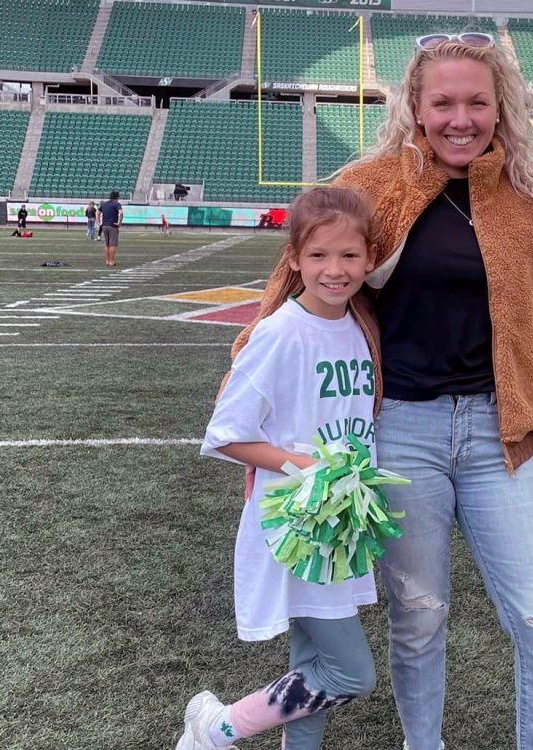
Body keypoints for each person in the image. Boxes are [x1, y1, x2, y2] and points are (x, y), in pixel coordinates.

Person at [233, 32, 533, 750]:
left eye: (476, 103)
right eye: (443, 103)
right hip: (398, 433)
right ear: (416, 107)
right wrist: (262, 443)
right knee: (419, 616)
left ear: (502, 109)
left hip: (507, 439)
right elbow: (290, 300)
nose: (460, 119)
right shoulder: (372, 189)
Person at [176, 188, 380, 750]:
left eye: (348, 256)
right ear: (293, 259)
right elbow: (228, 433)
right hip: (296, 525)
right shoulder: (279, 332)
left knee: (310, 661)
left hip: (341, 525)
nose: (334, 270)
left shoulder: (362, 326)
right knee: (349, 674)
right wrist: (306, 465)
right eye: (318, 256)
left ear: (369, 258)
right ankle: (217, 728)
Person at [99, 191, 123, 266]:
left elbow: (97, 212)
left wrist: (98, 222)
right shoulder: (117, 204)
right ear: (117, 197)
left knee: (107, 244)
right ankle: (111, 261)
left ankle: (107, 260)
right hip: (112, 226)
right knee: (112, 244)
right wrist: (119, 222)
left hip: (104, 225)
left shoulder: (104, 204)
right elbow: (121, 213)